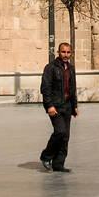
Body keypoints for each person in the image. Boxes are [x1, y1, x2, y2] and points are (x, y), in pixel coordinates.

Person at [39, 42, 77, 172]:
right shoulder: (50, 68)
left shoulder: (71, 69)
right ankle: (46, 156)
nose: (65, 55)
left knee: (65, 136)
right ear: (58, 53)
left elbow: (73, 89)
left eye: (68, 52)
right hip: (55, 107)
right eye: (63, 52)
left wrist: (75, 106)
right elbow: (45, 88)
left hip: (67, 106)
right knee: (60, 131)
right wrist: (49, 106)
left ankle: (58, 163)